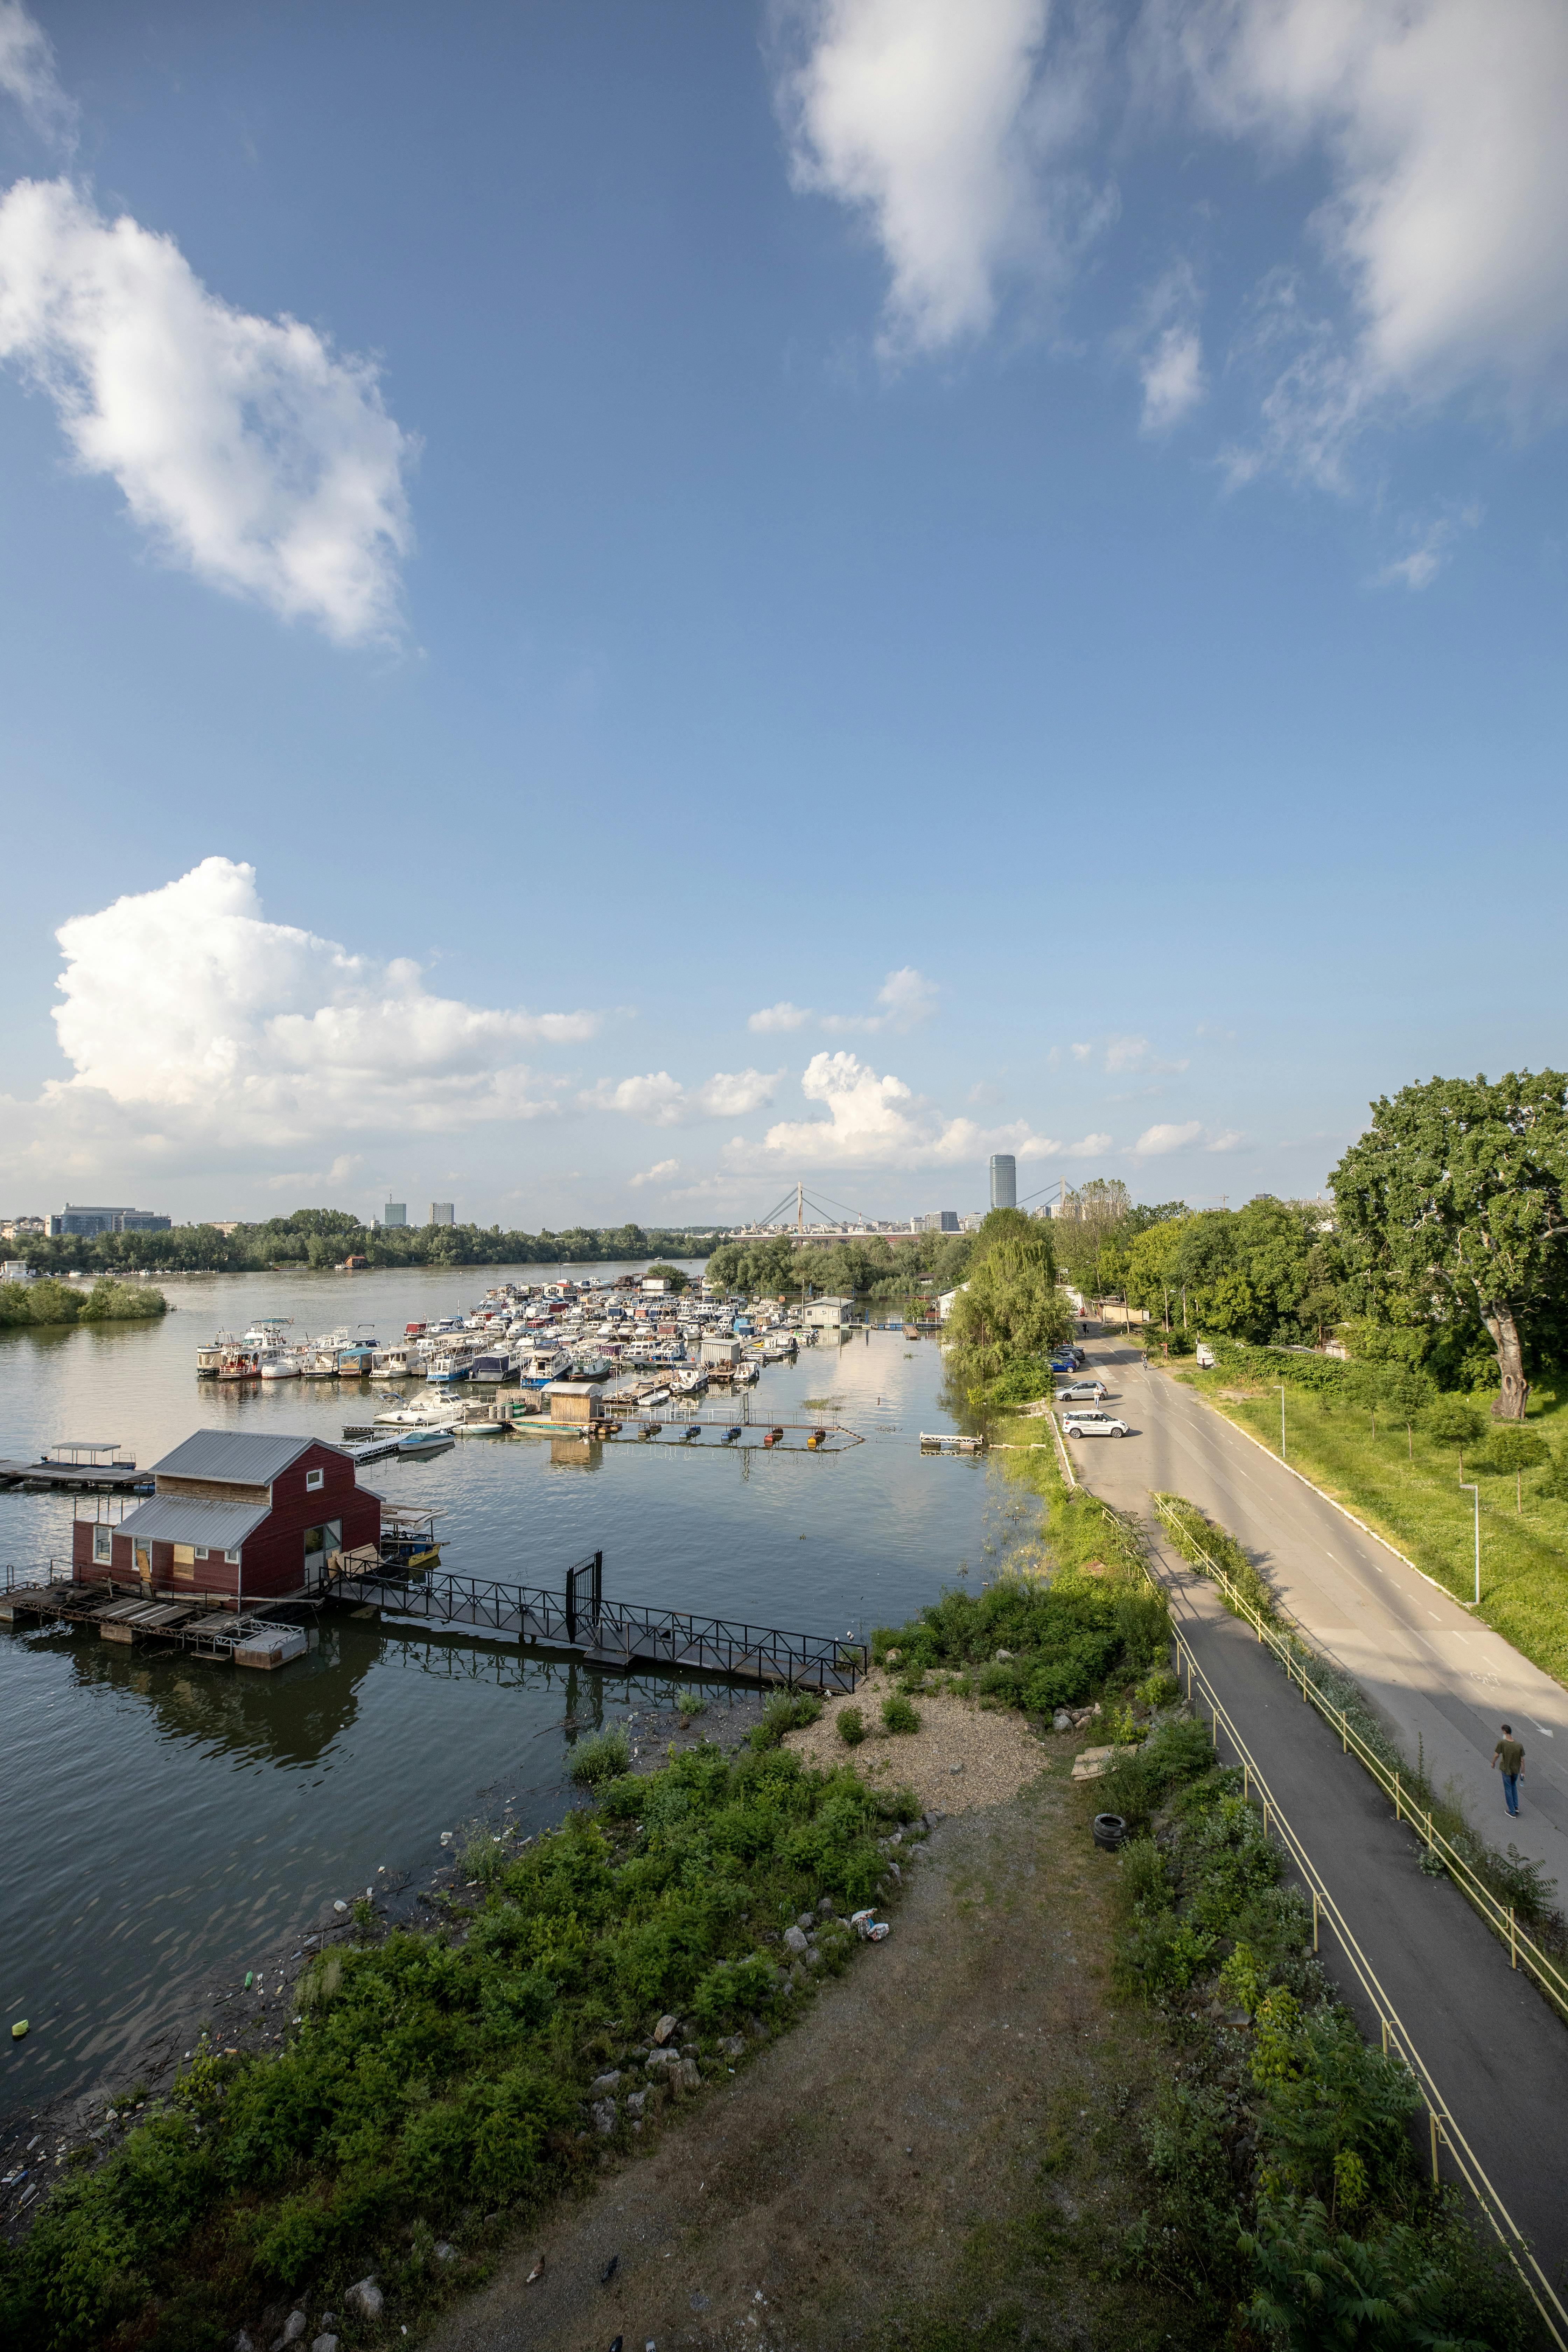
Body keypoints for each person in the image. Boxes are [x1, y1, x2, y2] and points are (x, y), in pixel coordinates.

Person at [1493, 1723, 1525, 1818]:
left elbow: (1497, 1755)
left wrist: (1493, 1763)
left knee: (1508, 1789)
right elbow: (1522, 1760)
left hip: (1506, 1770)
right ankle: (1516, 1807)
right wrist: (1523, 1772)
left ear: (1505, 1732)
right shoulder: (1519, 1745)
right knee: (1513, 1786)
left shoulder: (1502, 1743)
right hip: (1516, 1770)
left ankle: (1512, 1812)